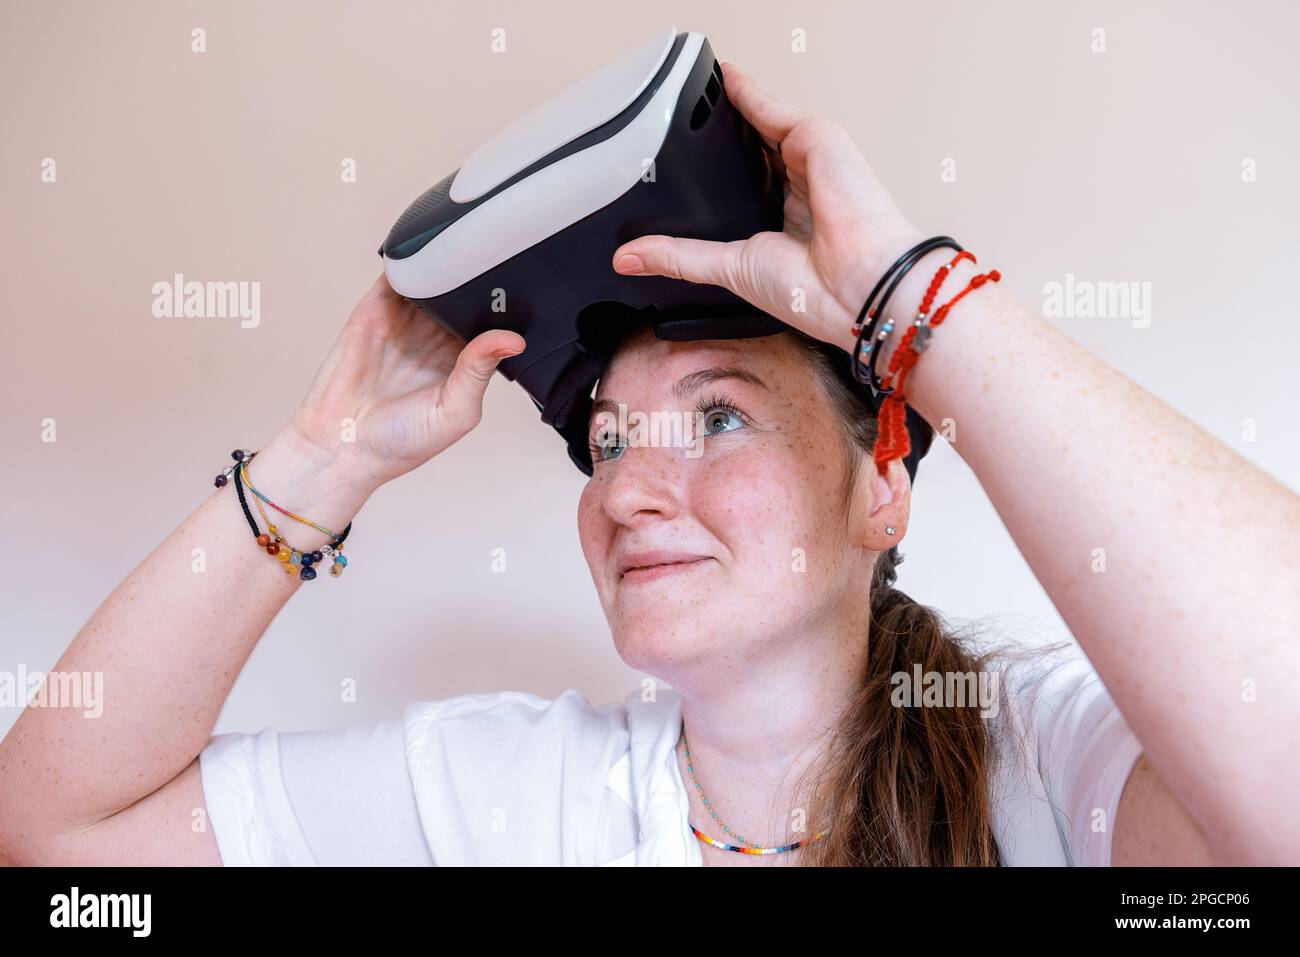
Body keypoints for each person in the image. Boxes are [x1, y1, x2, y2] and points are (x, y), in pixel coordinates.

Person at [1, 61, 1295, 867]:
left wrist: (917, 300)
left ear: (882, 482)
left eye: (717, 416)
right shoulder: (510, 795)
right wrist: (316, 463)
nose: (624, 487)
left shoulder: (1046, 766)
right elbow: (63, 834)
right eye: (608, 438)